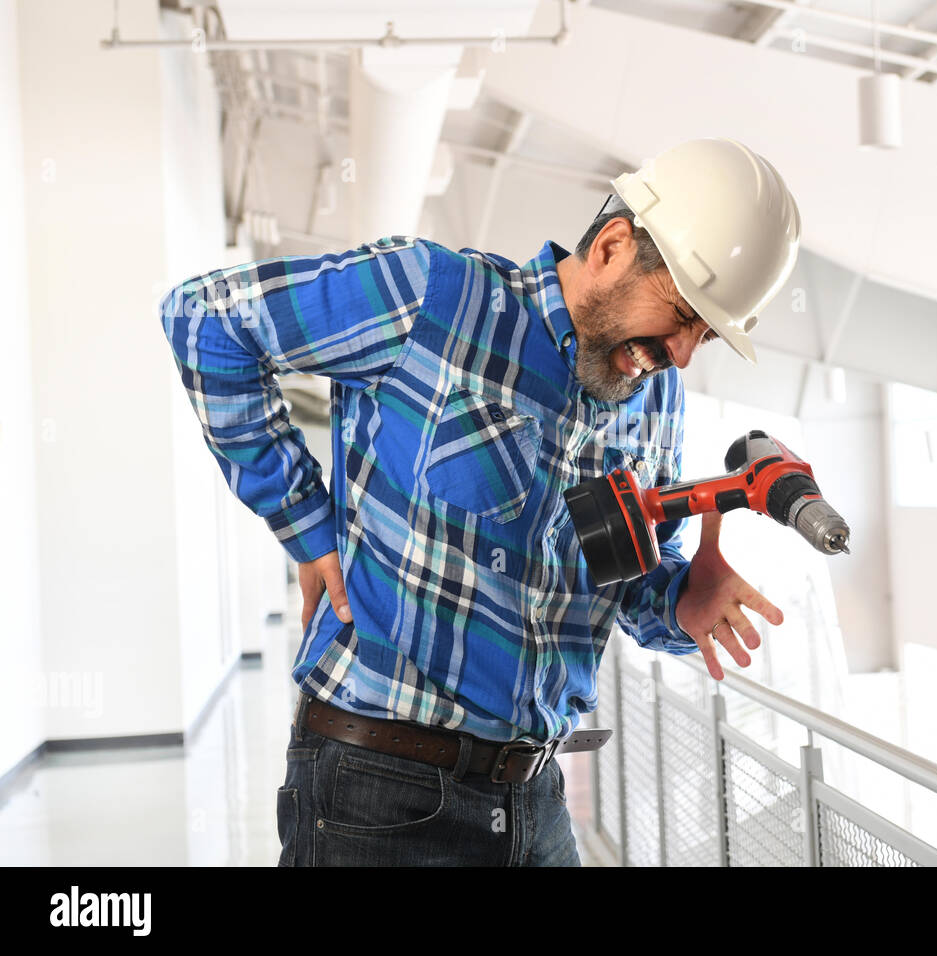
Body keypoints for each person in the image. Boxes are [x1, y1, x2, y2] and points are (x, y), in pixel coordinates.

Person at [159, 137, 801, 866]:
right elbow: (206, 319)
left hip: (535, 799)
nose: (683, 354)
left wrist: (681, 599)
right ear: (614, 246)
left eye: (705, 335)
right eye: (680, 315)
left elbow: (623, 576)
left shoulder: (654, 401)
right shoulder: (433, 296)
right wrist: (308, 527)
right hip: (379, 791)